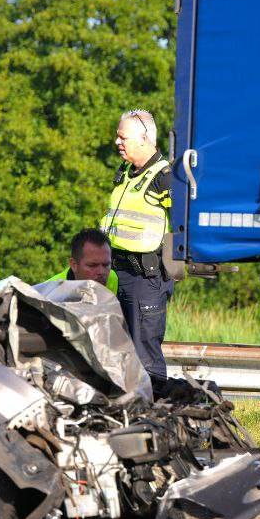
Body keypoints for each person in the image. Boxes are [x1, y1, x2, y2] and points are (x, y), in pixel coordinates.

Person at [100, 109, 172, 384]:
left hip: (147, 278)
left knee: (146, 355)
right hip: (120, 275)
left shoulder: (164, 177)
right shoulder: (127, 173)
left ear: (144, 138)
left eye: (123, 137)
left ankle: (155, 418)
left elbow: (182, 226)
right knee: (122, 350)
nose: (117, 142)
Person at [45, 228, 118, 294]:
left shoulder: (112, 278)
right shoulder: (49, 293)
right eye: (92, 265)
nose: (101, 272)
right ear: (74, 264)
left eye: (106, 265)